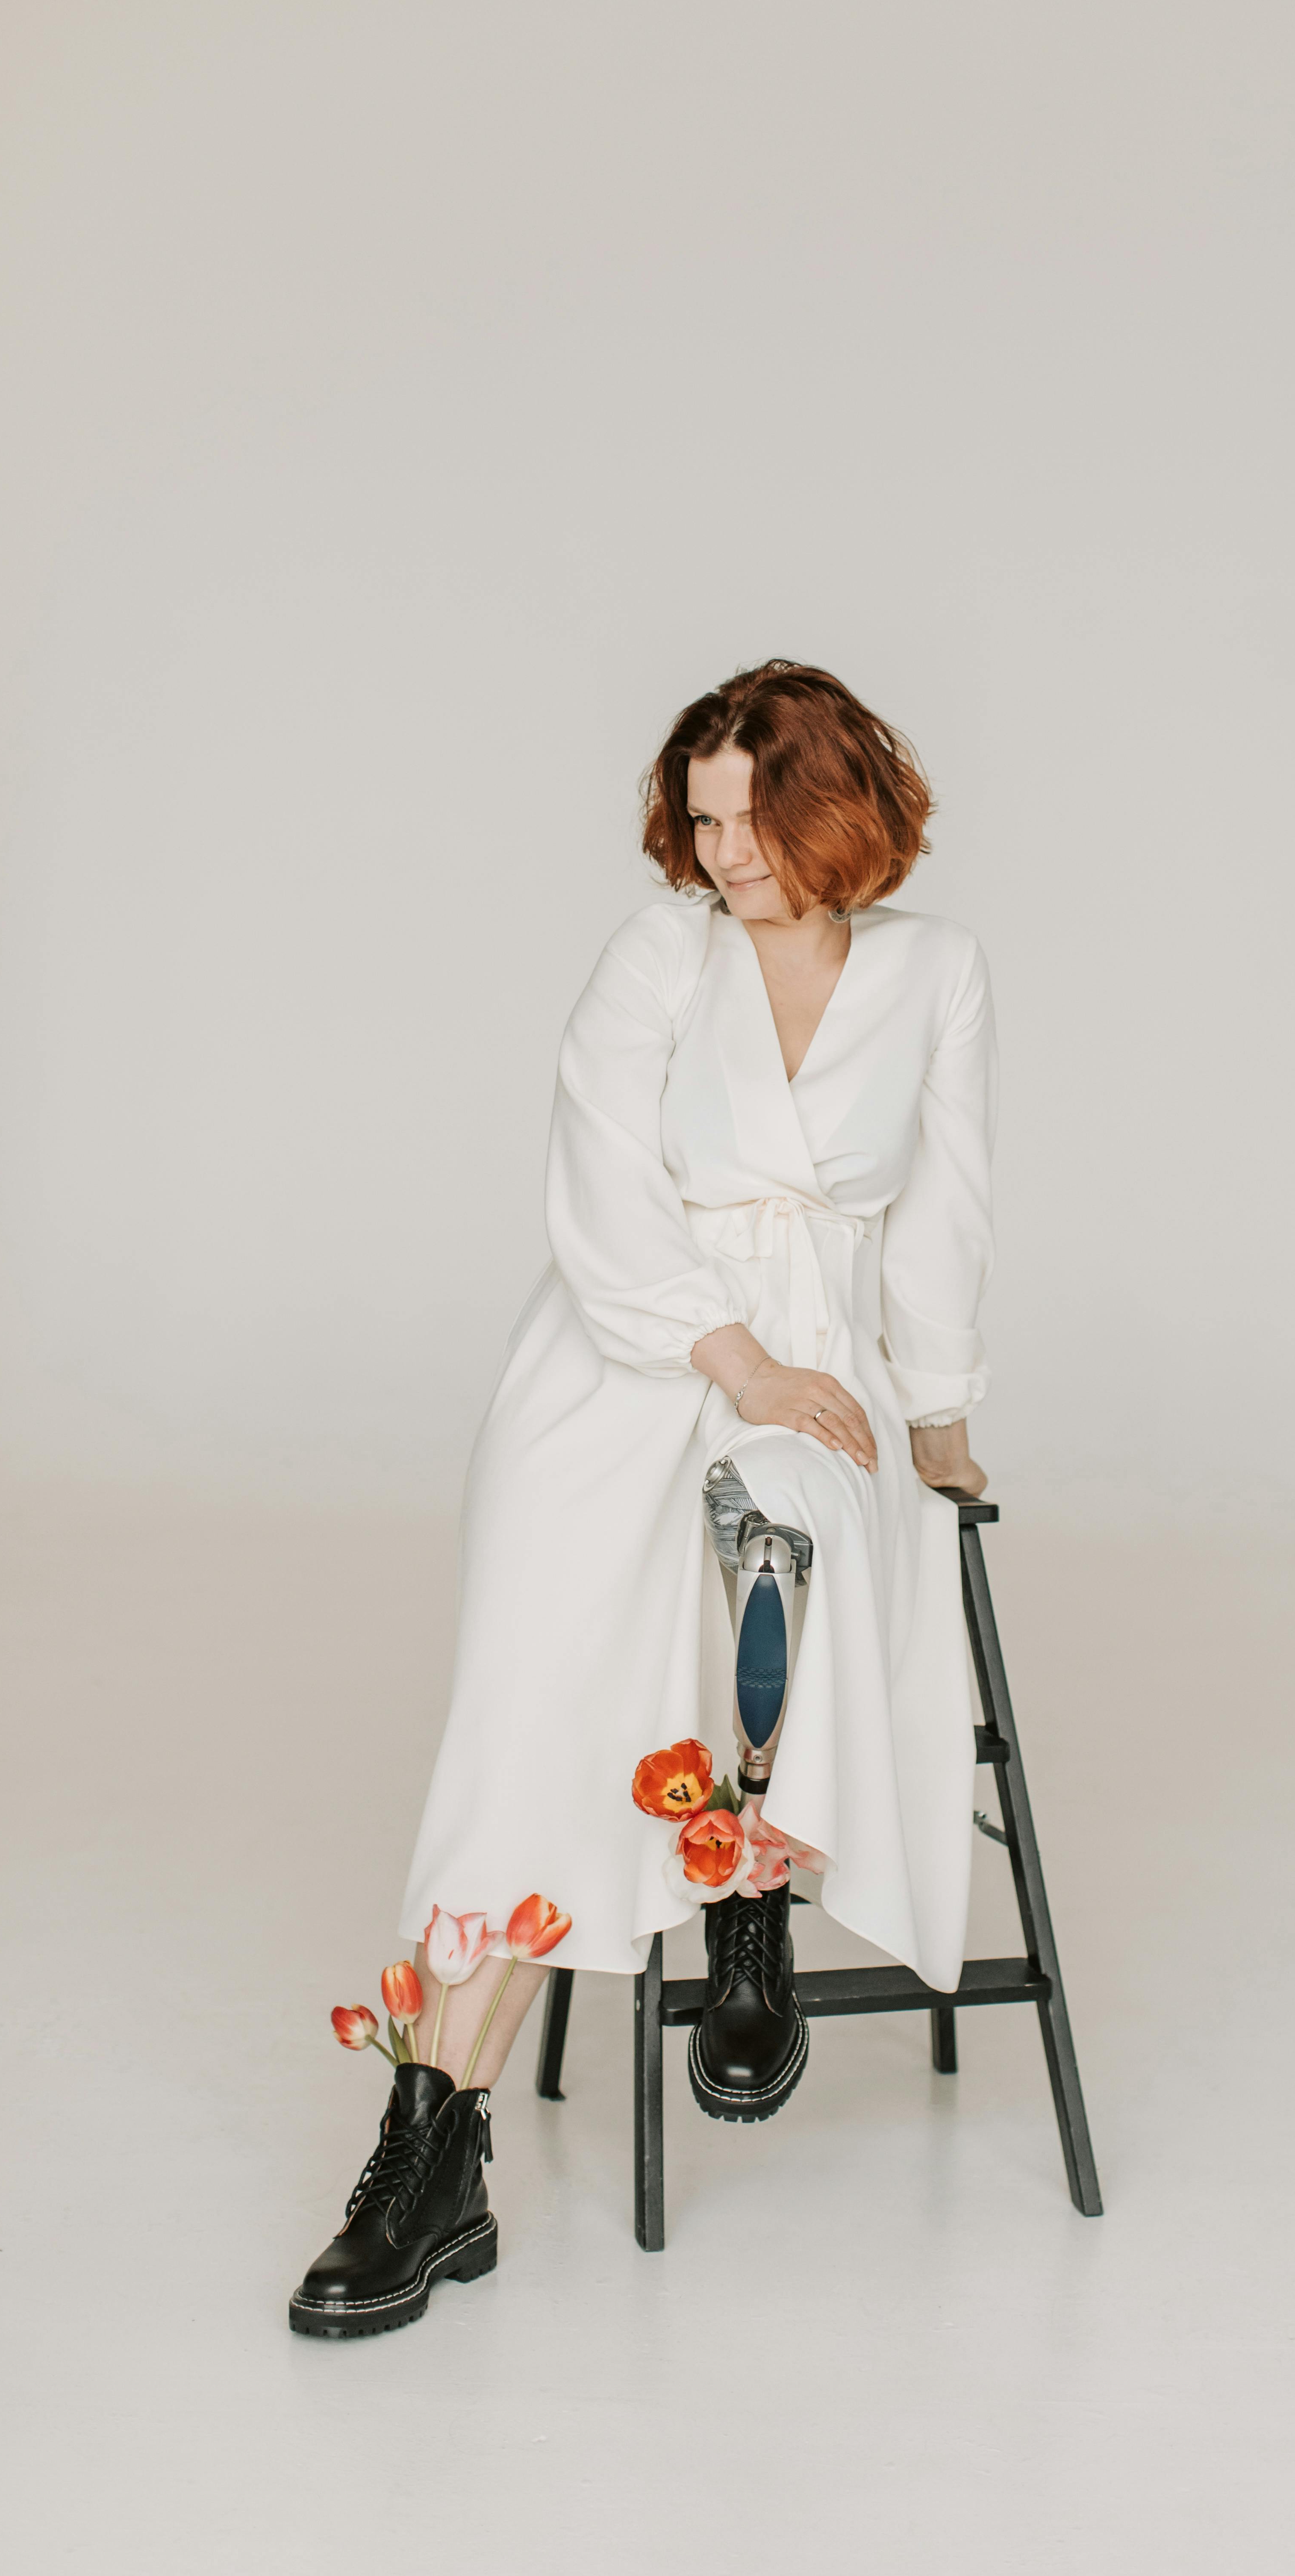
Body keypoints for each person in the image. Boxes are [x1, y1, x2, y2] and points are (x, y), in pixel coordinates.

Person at [290, 659, 996, 2338]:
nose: (724, 851)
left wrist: (941, 1415)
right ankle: (429, 2155)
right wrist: (727, 1357)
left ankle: (745, 1897)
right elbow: (599, 1172)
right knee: (532, 1708)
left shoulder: (937, 972)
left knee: (782, 1536)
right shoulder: (660, 954)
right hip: (631, 1357)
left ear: (838, 808)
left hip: (818, 1372)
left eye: (754, 818)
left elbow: (944, 1209)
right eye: (703, 819)